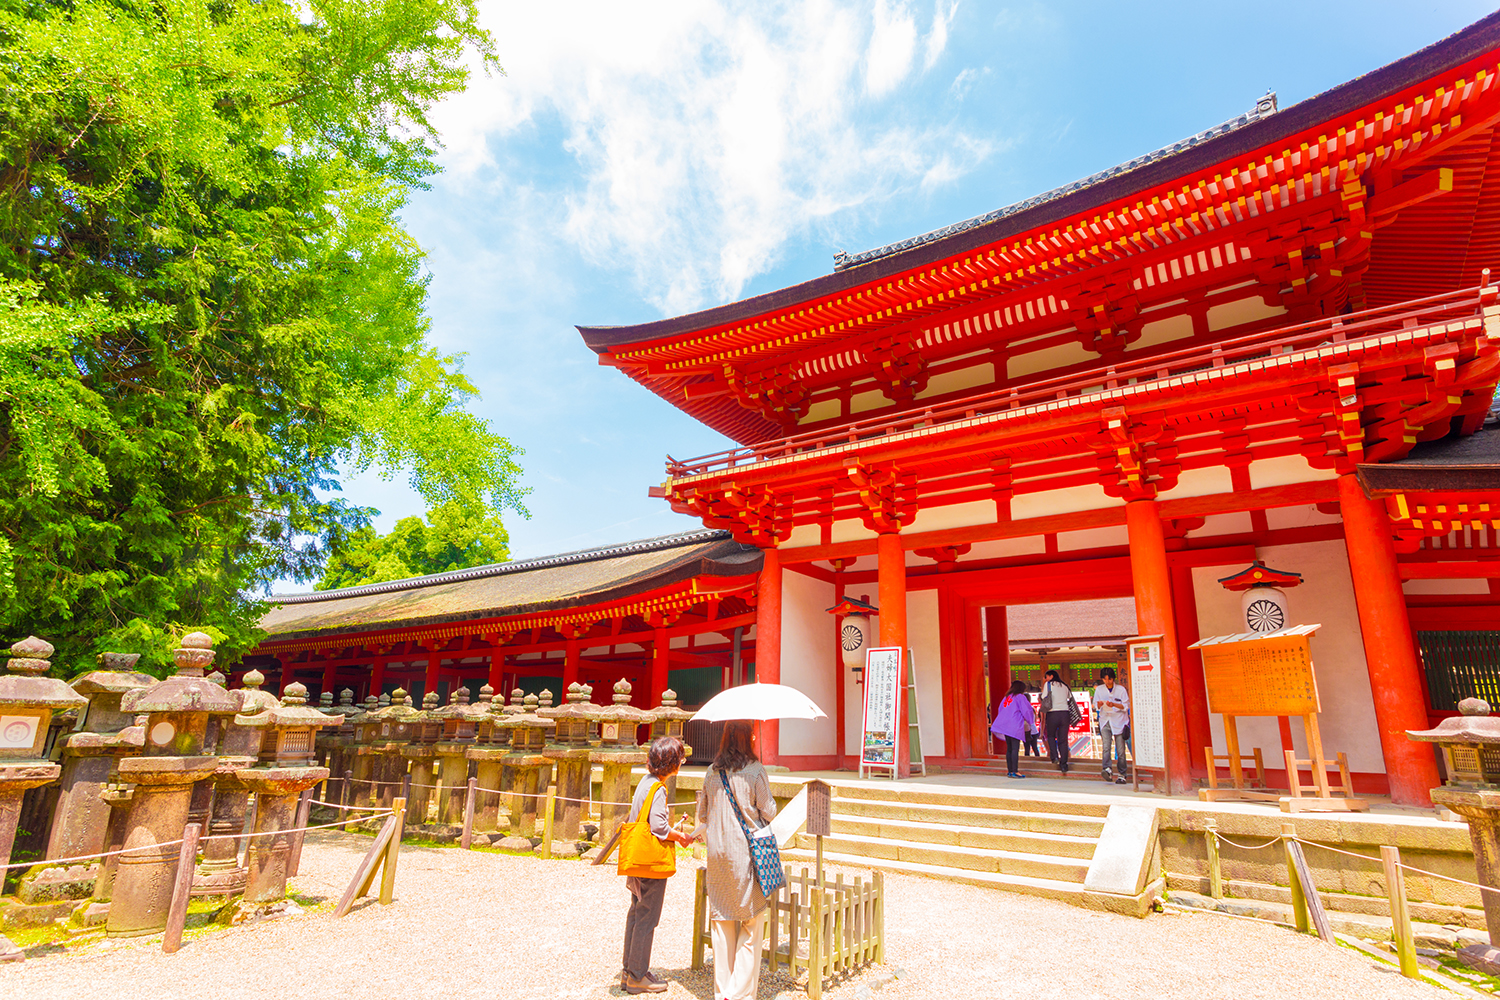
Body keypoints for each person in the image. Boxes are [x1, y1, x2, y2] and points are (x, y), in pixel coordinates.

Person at [696, 720, 777, 1000]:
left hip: (718, 853)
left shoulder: (711, 771)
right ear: (749, 739)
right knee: (752, 922)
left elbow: (703, 814)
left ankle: (722, 990)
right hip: (746, 854)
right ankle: (739, 992)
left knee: (721, 919)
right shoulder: (755, 770)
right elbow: (769, 810)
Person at [621, 736, 693, 995]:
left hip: (637, 859)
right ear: (672, 764)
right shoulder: (659, 789)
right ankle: (638, 976)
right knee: (647, 917)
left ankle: (630, 970)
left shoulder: (645, 782)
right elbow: (660, 827)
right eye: (681, 759)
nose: (682, 763)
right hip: (650, 861)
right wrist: (681, 836)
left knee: (636, 912)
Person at [989, 680, 1035, 778]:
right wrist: (1031, 722)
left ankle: (1010, 771)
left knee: (1009, 749)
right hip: (1014, 725)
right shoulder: (1020, 697)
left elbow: (1000, 710)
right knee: (1015, 748)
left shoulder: (1007, 697)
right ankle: (1015, 771)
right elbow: (1026, 710)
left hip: (1005, 725)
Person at [1093, 668, 1131, 784]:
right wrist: (1099, 705)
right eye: (1104, 679)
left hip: (1119, 721)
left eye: (1109, 679)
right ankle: (1107, 769)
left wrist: (1114, 704)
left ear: (1113, 678)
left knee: (1120, 750)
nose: (1107, 681)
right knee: (1106, 747)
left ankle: (1122, 774)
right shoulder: (1099, 689)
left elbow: (1125, 706)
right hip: (1105, 720)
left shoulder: (1120, 690)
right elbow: (1095, 705)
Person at [1041, 669, 1074, 774]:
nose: (1045, 679)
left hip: (1053, 713)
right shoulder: (1065, 686)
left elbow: (1043, 696)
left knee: (1051, 736)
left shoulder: (1049, 684)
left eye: (1046, 677)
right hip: (1065, 714)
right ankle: (1064, 764)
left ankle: (1054, 757)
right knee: (1063, 740)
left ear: (1051, 676)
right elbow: (1069, 697)